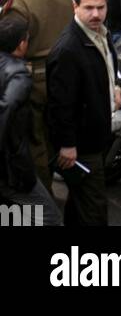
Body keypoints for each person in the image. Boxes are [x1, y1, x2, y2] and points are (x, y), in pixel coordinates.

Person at [45, 0, 119, 226]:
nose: (96, 14)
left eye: (101, 7)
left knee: (80, 204)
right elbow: (59, 104)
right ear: (74, 6)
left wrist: (116, 88)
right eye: (89, 8)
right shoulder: (68, 49)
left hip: (96, 136)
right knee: (95, 210)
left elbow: (110, 66)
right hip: (81, 146)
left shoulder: (102, 34)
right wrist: (67, 144)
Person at [2, 0, 72, 191]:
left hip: (34, 81)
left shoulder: (18, 3)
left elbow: (12, 47)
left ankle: (43, 202)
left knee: (36, 144)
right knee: (55, 137)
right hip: (63, 75)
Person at [0, 15, 62, 225]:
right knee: (50, 217)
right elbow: (6, 109)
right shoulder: (18, 75)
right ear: (21, 43)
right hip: (11, 169)